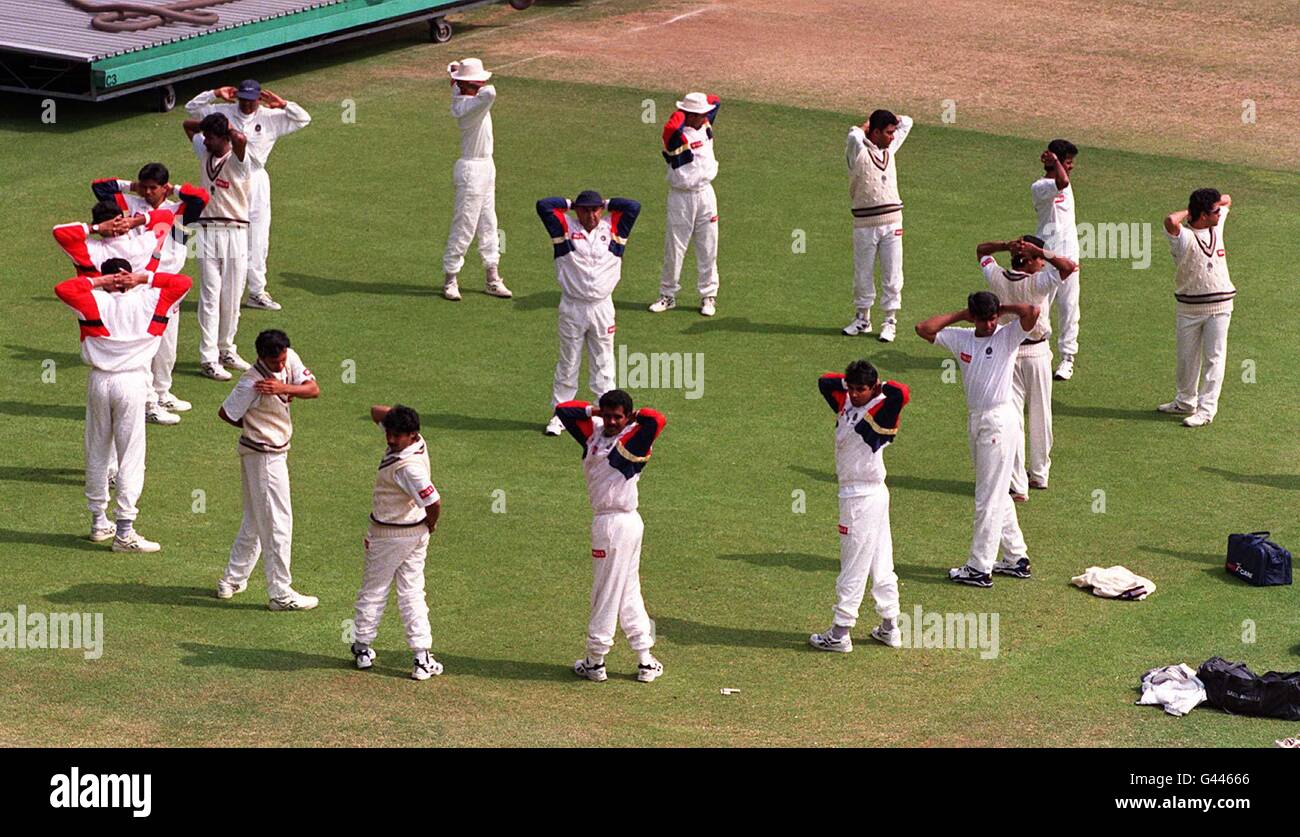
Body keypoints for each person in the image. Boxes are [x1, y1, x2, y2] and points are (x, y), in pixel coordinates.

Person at [54, 259, 192, 552]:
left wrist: (101, 282)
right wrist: (142, 278)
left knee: (97, 449)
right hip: (132, 382)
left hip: (99, 381)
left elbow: (63, 288)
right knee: (130, 455)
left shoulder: (94, 298)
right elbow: (183, 282)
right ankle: (125, 532)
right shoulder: (150, 297)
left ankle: (98, 522)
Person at [915, 292, 1040, 587]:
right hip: (977, 420)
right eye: (983, 319)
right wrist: (962, 314)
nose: (989, 324)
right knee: (995, 491)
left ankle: (979, 567)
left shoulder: (1007, 336)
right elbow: (924, 329)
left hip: (998, 421)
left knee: (987, 497)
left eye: (992, 317)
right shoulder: (962, 337)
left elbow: (1032, 310)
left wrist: (1001, 307)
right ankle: (1015, 558)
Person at [554, 390, 666, 683]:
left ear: (627, 417)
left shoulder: (631, 440)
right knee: (627, 591)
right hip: (617, 525)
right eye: (608, 415)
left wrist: (633, 416)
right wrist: (596, 411)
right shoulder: (594, 434)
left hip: (616, 526)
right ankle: (645, 659)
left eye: (619, 416)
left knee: (605, 593)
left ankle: (595, 660)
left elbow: (657, 420)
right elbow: (563, 409)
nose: (613, 421)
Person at [92, 165, 209, 424]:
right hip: (141, 282)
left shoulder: (178, 209)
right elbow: (99, 186)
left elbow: (200, 197)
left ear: (164, 187)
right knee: (145, 346)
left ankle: (162, 392)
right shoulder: (130, 201)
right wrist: (133, 186)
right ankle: (147, 403)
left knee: (167, 346)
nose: (147, 192)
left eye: (152, 187)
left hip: (169, 283)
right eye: (143, 186)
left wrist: (175, 190)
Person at [216, 329, 321, 610]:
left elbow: (313, 389)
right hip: (263, 455)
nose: (281, 365)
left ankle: (232, 579)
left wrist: (285, 388)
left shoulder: (289, 359)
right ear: (261, 357)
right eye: (275, 362)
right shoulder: (250, 382)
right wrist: (256, 426)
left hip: (272, 453)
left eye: (283, 359)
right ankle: (280, 594)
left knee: (254, 519)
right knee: (277, 523)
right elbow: (226, 413)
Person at [809, 360, 910, 652]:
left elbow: (902, 393)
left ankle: (840, 632)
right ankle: (890, 626)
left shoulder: (879, 410)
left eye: (861, 389)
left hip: (859, 499)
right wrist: (851, 383)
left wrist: (881, 386)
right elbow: (824, 381)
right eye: (851, 388)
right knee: (881, 563)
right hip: (872, 495)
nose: (854, 394)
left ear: (874, 387)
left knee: (852, 566)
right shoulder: (846, 402)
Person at [185, 79, 311, 311]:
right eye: (242, 99)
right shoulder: (222, 111)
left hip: (256, 178)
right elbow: (190, 109)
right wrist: (213, 92)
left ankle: (257, 292)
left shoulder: (270, 117)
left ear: (259, 99)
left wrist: (283, 104)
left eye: (251, 100)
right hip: (228, 177)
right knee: (228, 233)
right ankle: (224, 292)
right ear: (237, 96)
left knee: (258, 237)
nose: (246, 104)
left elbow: (303, 119)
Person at [976, 236, 1079, 499]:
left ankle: (1017, 484)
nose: (1042, 263)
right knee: (1040, 414)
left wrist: (1003, 246)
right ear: (1030, 260)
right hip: (1036, 353)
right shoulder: (1039, 282)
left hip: (1007, 353)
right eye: (1039, 260)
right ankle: (1040, 475)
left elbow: (981, 251)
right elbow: (1069, 267)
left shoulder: (996, 276)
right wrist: (1040, 249)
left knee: (1011, 420)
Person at [350, 404, 444, 681]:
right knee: (412, 591)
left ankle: (363, 648)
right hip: (413, 532)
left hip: (390, 534)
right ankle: (421, 658)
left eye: (396, 435)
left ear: (412, 435)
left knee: (374, 589)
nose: (390, 439)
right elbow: (374, 411)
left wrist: (433, 522)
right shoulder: (413, 440)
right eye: (388, 433)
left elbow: (434, 501)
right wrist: (396, 419)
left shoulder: (409, 468)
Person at [536, 191, 641, 437]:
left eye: (595, 209)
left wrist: (605, 203)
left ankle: (610, 419)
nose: (591, 214)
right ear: (577, 212)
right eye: (585, 210)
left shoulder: (614, 227)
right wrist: (571, 204)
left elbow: (633, 205)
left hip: (603, 307)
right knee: (568, 362)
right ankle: (560, 415)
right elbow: (544, 205)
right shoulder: (564, 228)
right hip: (573, 306)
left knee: (604, 362)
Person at [184, 112, 253, 381]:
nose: (204, 140)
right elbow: (187, 125)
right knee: (210, 295)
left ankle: (227, 349)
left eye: (211, 137)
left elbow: (241, 139)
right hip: (207, 230)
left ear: (224, 137)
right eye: (205, 136)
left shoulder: (239, 160)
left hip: (235, 231)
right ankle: (208, 357)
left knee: (232, 295)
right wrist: (207, 126)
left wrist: (228, 128)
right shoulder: (205, 150)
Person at [1158, 189, 1234, 427]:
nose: (1220, 212)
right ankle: (1185, 401)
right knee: (1186, 358)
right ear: (1200, 215)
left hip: (1221, 305)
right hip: (1189, 308)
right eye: (1214, 211)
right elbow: (1171, 220)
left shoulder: (1217, 226)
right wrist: (1191, 210)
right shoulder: (1183, 238)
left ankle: (1206, 410)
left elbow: (1228, 198)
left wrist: (1210, 202)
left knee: (1215, 357)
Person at [441, 58, 511, 302]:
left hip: (486, 166)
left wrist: (455, 74)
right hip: (471, 170)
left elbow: (454, 75)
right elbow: (490, 92)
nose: (483, 84)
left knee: (488, 222)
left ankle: (492, 277)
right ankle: (450, 278)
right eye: (477, 83)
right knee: (465, 225)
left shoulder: (465, 95)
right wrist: (463, 79)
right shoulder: (472, 105)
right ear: (469, 86)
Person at [648, 91, 721, 317]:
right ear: (688, 115)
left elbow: (716, 100)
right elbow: (670, 129)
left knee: (708, 246)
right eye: (699, 114)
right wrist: (681, 112)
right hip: (681, 197)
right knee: (675, 247)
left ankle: (709, 295)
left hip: (706, 194)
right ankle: (668, 295)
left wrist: (700, 107)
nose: (705, 116)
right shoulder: (676, 136)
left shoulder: (706, 125)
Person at [843, 109, 913, 342]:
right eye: (887, 132)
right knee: (863, 273)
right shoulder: (857, 152)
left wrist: (888, 122)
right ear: (874, 132)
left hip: (893, 222)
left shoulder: (890, 150)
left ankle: (889, 322)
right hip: (864, 223)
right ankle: (862, 318)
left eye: (893, 132)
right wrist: (865, 126)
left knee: (893, 273)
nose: (893, 136)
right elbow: (853, 135)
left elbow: (908, 122)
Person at [1030, 140, 1082, 380]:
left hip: (1069, 258)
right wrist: (1054, 162)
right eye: (1068, 162)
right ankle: (1042, 352)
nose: (1071, 167)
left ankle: (1067, 359)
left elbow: (1064, 181)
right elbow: (1060, 181)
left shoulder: (1066, 184)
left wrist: (1057, 162)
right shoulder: (1040, 187)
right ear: (1056, 161)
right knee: (1042, 308)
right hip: (1046, 259)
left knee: (1069, 308)